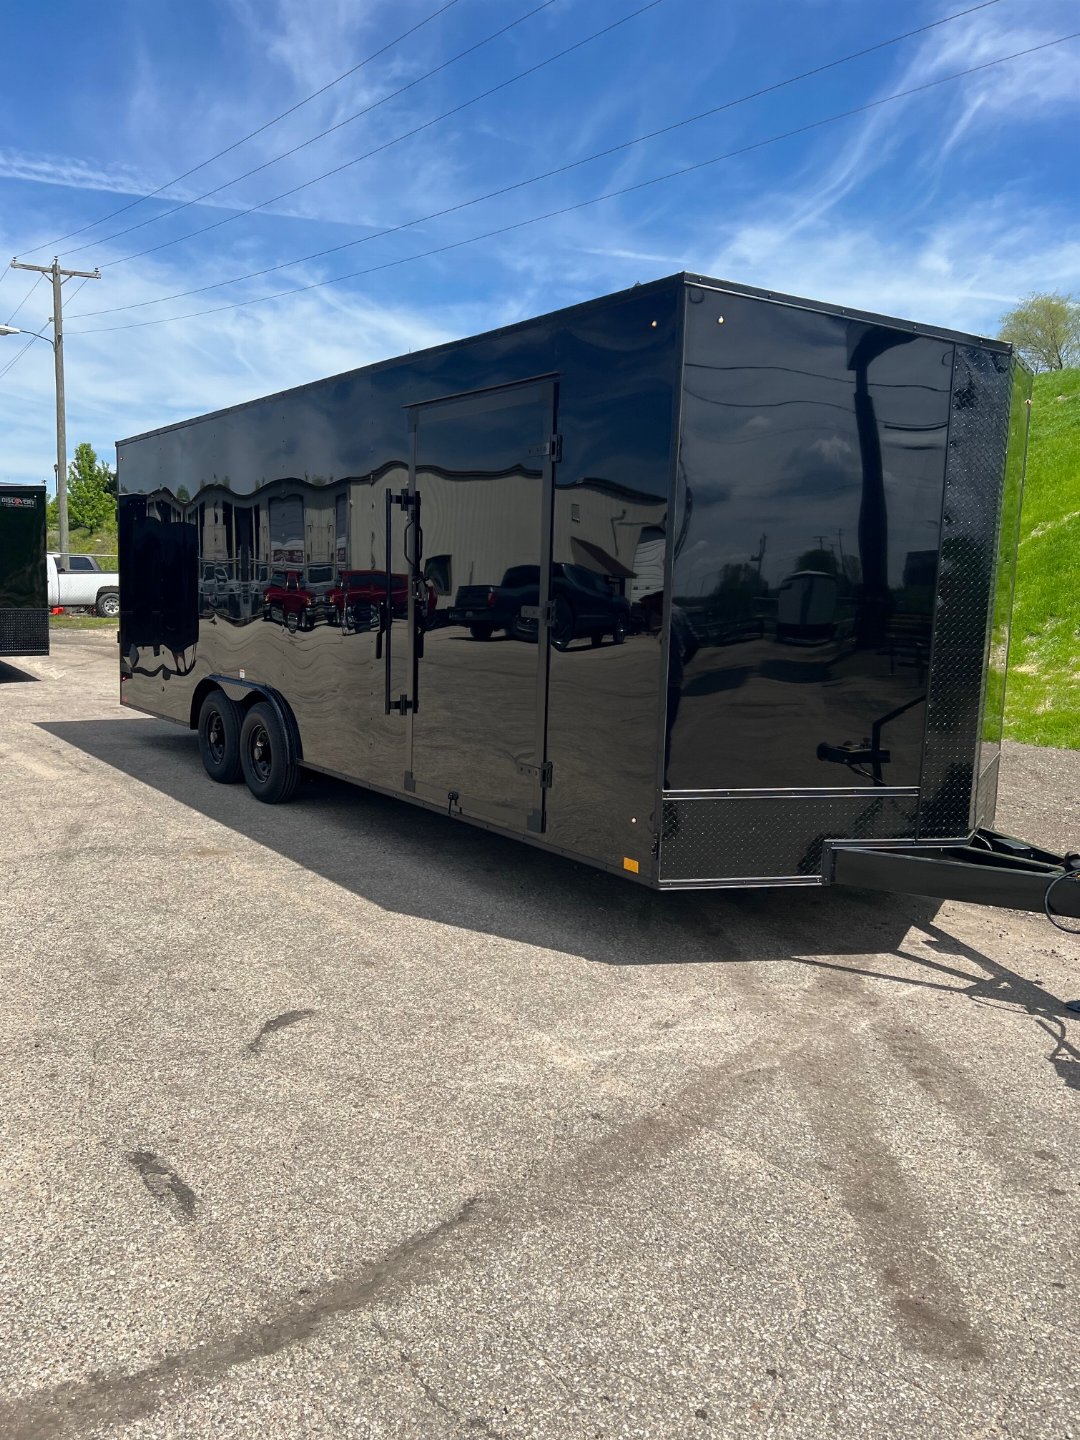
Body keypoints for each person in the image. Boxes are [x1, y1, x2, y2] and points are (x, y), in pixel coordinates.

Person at [640, 591, 699, 787]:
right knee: (666, 732)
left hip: (663, 683)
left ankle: (657, 779)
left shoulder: (666, 619)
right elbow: (694, 642)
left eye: (650, 603)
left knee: (657, 731)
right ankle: (662, 776)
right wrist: (681, 663)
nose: (649, 607)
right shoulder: (679, 613)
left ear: (658, 599)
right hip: (675, 682)